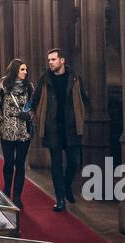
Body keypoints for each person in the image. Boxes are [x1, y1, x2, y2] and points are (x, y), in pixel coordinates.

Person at [31, 48, 89, 211]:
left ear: (62, 61)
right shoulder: (45, 78)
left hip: (71, 126)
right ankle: (60, 199)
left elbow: (84, 98)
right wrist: (27, 113)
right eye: (49, 60)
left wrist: (83, 114)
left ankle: (67, 185)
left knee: (74, 162)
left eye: (54, 59)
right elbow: (34, 99)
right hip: (53, 127)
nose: (50, 62)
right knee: (56, 164)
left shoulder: (75, 78)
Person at [0, 59, 34, 208]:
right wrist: (2, 122)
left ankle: (17, 196)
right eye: (22, 69)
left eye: (26, 70)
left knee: (20, 164)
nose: (25, 72)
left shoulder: (29, 87)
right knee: (9, 163)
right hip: (7, 131)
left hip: (24, 132)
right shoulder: (2, 84)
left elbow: (33, 105)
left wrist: (30, 115)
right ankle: (7, 190)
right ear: (15, 70)